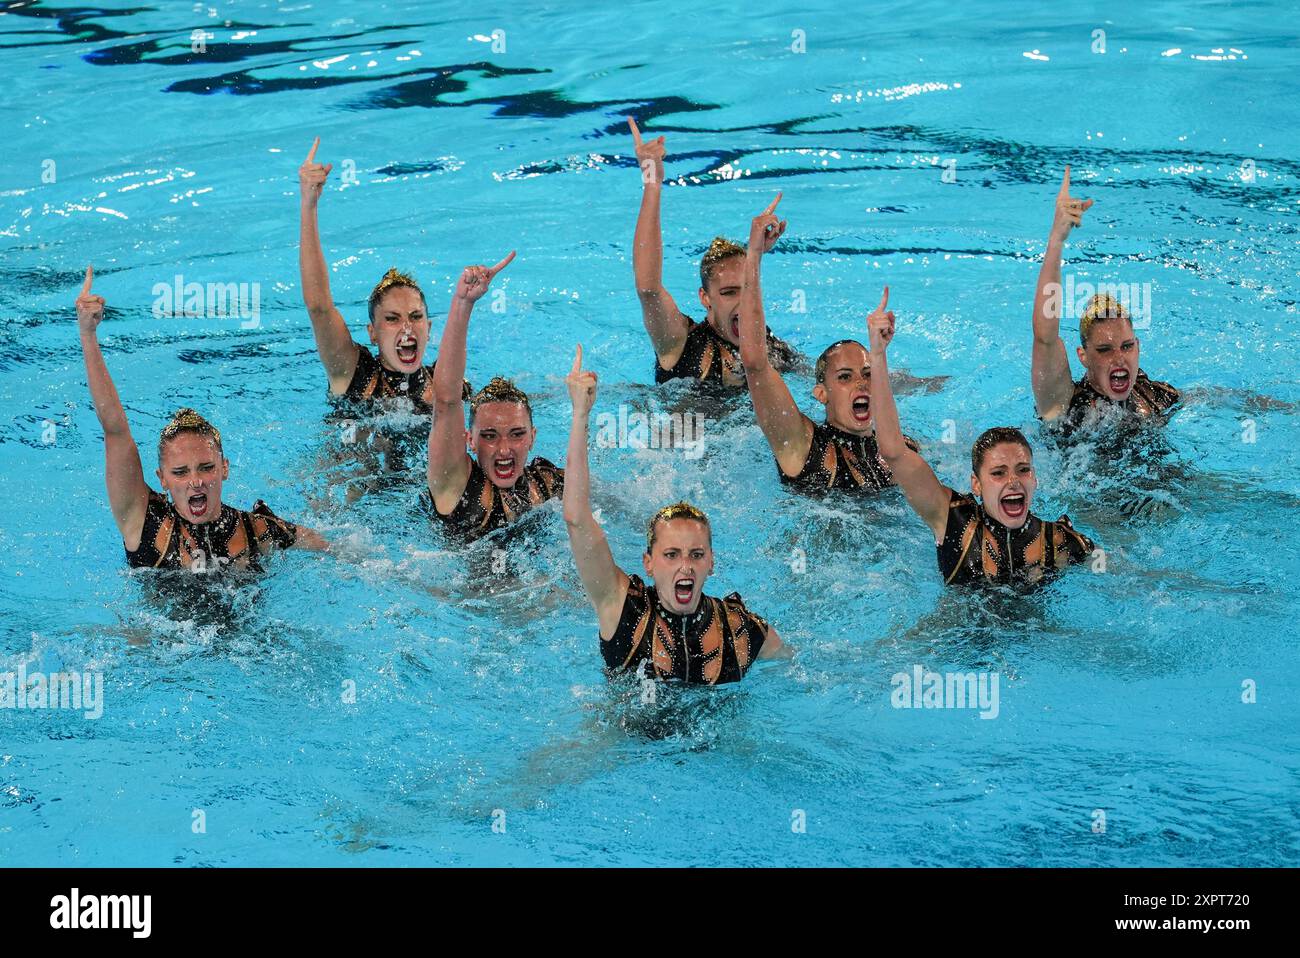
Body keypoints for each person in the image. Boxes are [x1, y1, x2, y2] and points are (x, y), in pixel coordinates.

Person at [76, 268, 327, 571]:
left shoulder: (257, 531)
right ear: (162, 479)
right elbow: (115, 431)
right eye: (180, 472)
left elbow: (334, 548)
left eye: (206, 467)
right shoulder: (144, 526)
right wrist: (88, 336)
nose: (195, 481)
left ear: (224, 469)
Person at [563, 345, 783, 683]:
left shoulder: (742, 631)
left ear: (711, 562)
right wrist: (580, 416)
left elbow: (799, 671)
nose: (686, 566)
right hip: (627, 735)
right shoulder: (621, 609)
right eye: (671, 554)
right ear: (648, 563)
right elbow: (577, 519)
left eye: (696, 555)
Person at [866, 288, 1096, 586]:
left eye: (1022, 470)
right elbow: (893, 450)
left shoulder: (1058, 542)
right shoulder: (951, 522)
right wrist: (877, 355)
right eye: (998, 473)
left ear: (1035, 478)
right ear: (976, 484)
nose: (1013, 482)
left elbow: (1127, 578)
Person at [737, 195, 919, 494]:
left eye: (867, 373)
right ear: (822, 393)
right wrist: (754, 254)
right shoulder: (802, 446)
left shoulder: (904, 450)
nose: (861, 384)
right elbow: (755, 364)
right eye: (845, 377)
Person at [298, 136, 468, 411]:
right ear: (372, 333)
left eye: (416, 317)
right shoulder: (352, 373)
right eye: (392, 319)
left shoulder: (444, 385)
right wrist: (309, 205)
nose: (407, 328)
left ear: (429, 329)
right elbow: (319, 307)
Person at [627, 118, 799, 388]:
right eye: (729, 292)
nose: (743, 302)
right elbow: (648, 288)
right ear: (705, 298)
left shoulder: (771, 348)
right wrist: (652, 182)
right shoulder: (680, 343)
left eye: (747, 289)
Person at [425, 254, 565, 541]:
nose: (504, 449)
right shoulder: (457, 488)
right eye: (489, 436)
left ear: (533, 437)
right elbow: (447, 400)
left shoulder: (548, 484)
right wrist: (463, 303)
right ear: (470, 441)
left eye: (516, 434)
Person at [1031, 165, 1179, 431]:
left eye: (1126, 346)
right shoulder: (1065, 406)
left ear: (1138, 347)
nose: (1119, 359)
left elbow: (1214, 399)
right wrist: (1056, 241)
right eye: (1103, 349)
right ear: (1083, 356)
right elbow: (1045, 337)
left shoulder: (1154, 396)